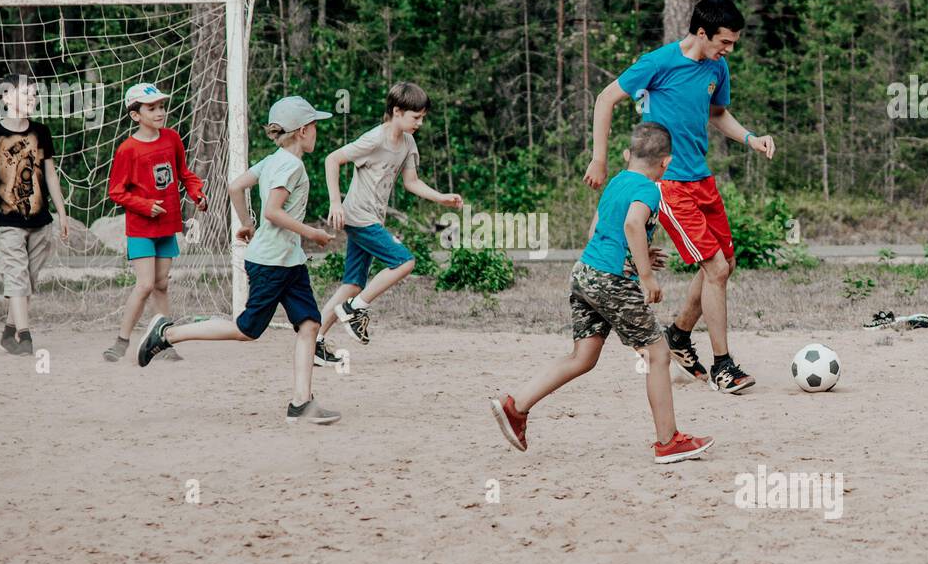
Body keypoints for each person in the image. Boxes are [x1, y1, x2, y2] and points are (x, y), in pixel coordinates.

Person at [491, 122, 714, 464]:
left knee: (583, 357)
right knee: (658, 354)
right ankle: (668, 441)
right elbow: (632, 224)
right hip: (611, 281)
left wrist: (636, 253)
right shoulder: (651, 189)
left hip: (584, 273)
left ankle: (515, 406)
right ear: (666, 163)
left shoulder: (616, 182)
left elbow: (599, 229)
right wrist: (646, 275)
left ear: (627, 154)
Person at [586, 0, 775, 394]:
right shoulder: (659, 62)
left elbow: (717, 113)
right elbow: (606, 99)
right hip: (668, 184)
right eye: (725, 42)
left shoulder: (717, 67)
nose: (729, 51)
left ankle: (678, 336)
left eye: (734, 44)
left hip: (702, 180)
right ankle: (724, 368)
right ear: (701, 33)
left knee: (725, 264)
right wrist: (599, 159)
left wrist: (750, 138)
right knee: (716, 270)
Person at [137, 96, 341, 425]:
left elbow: (236, 186)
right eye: (315, 125)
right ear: (303, 130)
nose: (318, 131)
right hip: (273, 263)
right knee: (246, 330)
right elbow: (273, 212)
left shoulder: (275, 160)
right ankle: (168, 334)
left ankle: (301, 403)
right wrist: (312, 233)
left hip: (289, 261)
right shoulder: (292, 166)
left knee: (309, 323)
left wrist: (246, 223)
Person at [314, 81, 462, 364]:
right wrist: (335, 202)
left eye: (422, 118)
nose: (420, 123)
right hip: (359, 216)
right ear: (397, 111)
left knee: (352, 284)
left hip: (371, 217)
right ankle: (354, 309)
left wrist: (441, 198)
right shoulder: (374, 139)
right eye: (415, 117)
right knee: (404, 261)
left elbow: (412, 182)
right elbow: (332, 160)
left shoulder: (407, 143)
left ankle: (314, 341)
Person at [103, 83, 207, 361]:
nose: (160, 112)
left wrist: (197, 193)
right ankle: (121, 342)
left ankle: (162, 344)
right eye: (152, 108)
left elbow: (185, 174)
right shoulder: (128, 149)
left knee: (162, 285)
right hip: (141, 229)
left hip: (167, 226)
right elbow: (116, 191)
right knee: (145, 284)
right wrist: (146, 206)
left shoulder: (172, 138)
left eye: (161, 106)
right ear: (136, 115)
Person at [0, 71, 69, 356]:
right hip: (8, 222)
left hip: (40, 222)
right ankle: (25, 337)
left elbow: (51, 175)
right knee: (16, 277)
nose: (33, 99)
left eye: (35, 95)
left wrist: (61, 212)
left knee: (29, 281)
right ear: (6, 97)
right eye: (27, 94)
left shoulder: (41, 132)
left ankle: (8, 332)